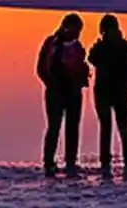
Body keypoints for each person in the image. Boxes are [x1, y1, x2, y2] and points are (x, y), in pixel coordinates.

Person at [36, 13, 89, 177]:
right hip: (56, 91)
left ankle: (71, 162)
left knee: (72, 128)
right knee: (54, 127)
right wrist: (51, 84)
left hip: (73, 91)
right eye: (76, 29)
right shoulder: (51, 43)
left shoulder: (78, 47)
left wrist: (82, 77)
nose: (78, 33)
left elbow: (80, 68)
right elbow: (40, 68)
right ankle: (49, 161)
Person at [87, 13, 127, 176]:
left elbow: (91, 59)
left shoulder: (104, 46)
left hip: (105, 91)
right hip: (118, 91)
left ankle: (106, 161)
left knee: (107, 127)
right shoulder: (125, 46)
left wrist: (97, 46)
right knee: (121, 127)